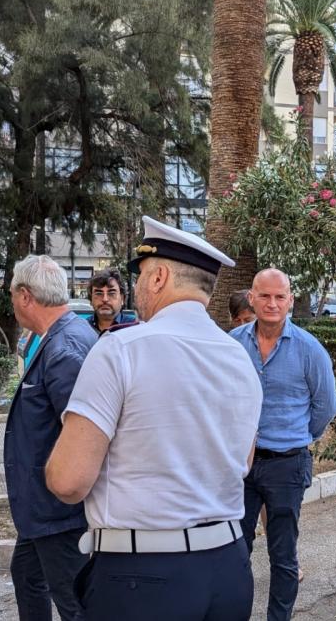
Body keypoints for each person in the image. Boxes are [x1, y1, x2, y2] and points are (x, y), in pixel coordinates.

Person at [44, 215, 262, 621]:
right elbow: (243, 462)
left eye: (142, 275)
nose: (138, 287)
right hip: (229, 568)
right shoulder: (240, 358)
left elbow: (68, 481)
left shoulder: (121, 349)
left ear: (159, 277)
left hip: (142, 576)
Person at [229, 269, 336, 621]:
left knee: (283, 555)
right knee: (234, 551)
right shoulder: (232, 344)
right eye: (265, 296)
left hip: (286, 465)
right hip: (239, 465)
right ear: (252, 298)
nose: (272, 303)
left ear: (290, 300)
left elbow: (326, 406)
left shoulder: (309, 349)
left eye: (280, 297)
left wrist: (299, 437)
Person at [6, 255, 96, 621]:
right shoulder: (60, 335)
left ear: (25, 296)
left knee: (74, 602)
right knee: (27, 576)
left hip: (59, 510)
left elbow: (85, 437)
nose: (11, 302)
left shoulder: (64, 348)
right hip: (43, 508)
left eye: (12, 294)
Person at [89, 268, 135, 336]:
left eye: (111, 293)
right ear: (91, 299)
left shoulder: (134, 327)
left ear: (122, 298)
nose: (105, 299)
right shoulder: (83, 328)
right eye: (99, 293)